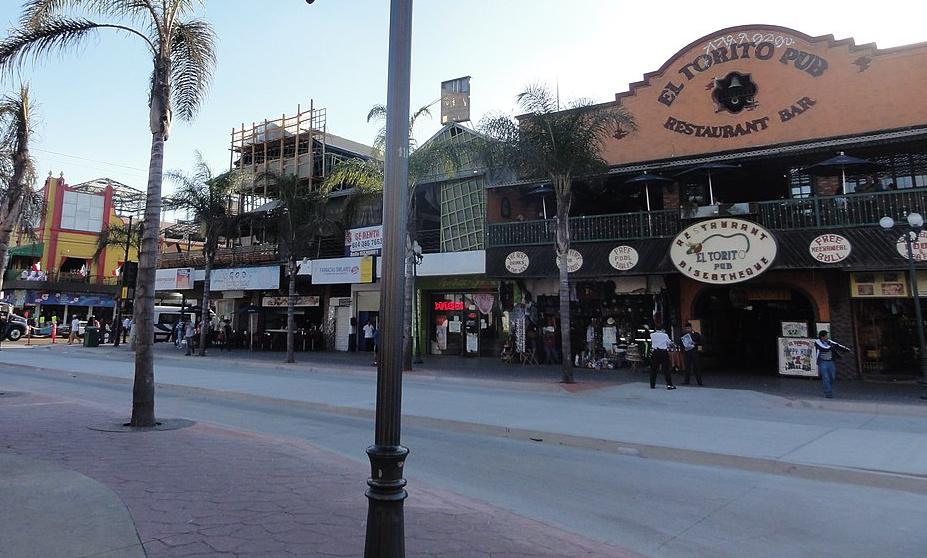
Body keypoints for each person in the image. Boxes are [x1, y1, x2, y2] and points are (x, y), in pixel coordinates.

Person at [815, 330, 850, 399]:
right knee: (826, 377)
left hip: (831, 362)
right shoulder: (817, 342)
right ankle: (828, 392)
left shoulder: (830, 342)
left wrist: (846, 349)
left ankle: (828, 388)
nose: (827, 337)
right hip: (823, 362)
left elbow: (838, 345)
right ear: (822, 337)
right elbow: (823, 348)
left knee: (832, 377)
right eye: (826, 336)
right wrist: (831, 346)